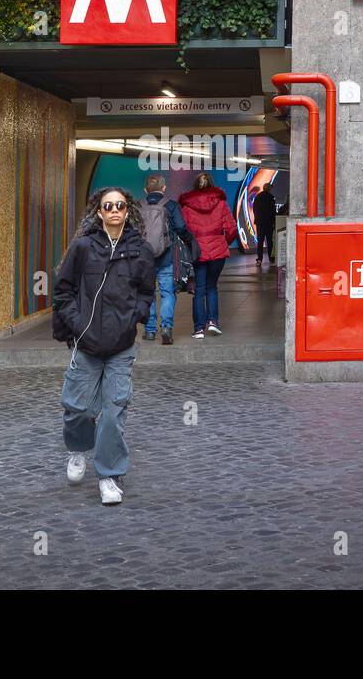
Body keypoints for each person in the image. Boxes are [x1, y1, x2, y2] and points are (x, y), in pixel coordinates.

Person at [52, 187, 155, 506]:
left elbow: (146, 293)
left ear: (127, 211)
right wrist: (78, 322)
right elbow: (62, 291)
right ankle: (77, 449)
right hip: (86, 343)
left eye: (119, 205)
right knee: (77, 409)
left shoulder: (141, 250)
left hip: (121, 345)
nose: (113, 210)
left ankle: (110, 475)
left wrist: (133, 317)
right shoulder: (82, 248)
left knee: (114, 411)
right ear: (99, 211)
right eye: (107, 205)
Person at [179, 172, 236, 339]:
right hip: (217, 250)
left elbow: (183, 232)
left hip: (197, 252)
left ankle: (198, 329)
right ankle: (213, 322)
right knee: (212, 287)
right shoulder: (221, 204)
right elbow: (232, 229)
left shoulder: (186, 207)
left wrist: (190, 246)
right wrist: (223, 242)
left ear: (195, 185)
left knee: (199, 289)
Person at [139, 174, 192, 345]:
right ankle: (167, 328)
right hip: (167, 257)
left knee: (148, 294)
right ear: (164, 188)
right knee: (168, 293)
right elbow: (181, 227)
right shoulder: (171, 205)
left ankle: (149, 330)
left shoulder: (138, 206)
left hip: (144, 259)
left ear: (145, 190)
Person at [251, 182, 277, 265]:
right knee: (270, 241)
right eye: (271, 188)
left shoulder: (258, 197)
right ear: (269, 189)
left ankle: (259, 259)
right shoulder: (271, 197)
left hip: (260, 223)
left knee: (260, 241)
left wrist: (258, 220)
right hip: (268, 223)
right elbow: (273, 211)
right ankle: (271, 259)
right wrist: (273, 222)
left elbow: (255, 210)